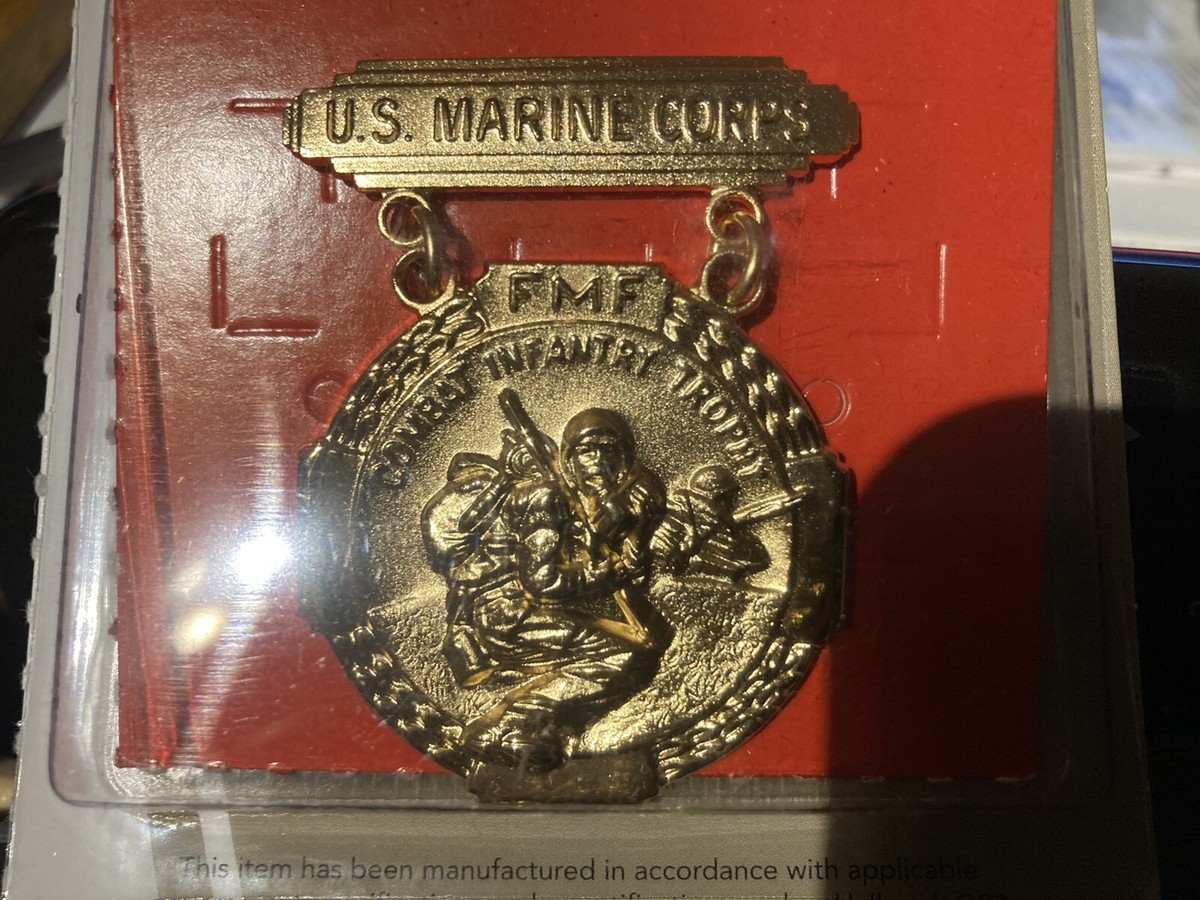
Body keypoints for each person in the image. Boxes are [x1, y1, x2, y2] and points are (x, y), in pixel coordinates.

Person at [422, 400, 668, 771]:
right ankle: (510, 726)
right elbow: (542, 583)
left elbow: (625, 566)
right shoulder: (546, 498)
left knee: (651, 639)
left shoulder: (602, 503)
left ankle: (547, 730)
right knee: (625, 655)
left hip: (536, 606)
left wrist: (638, 532)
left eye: (609, 450)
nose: (599, 461)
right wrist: (603, 575)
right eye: (587, 450)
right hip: (508, 611)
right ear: (569, 458)